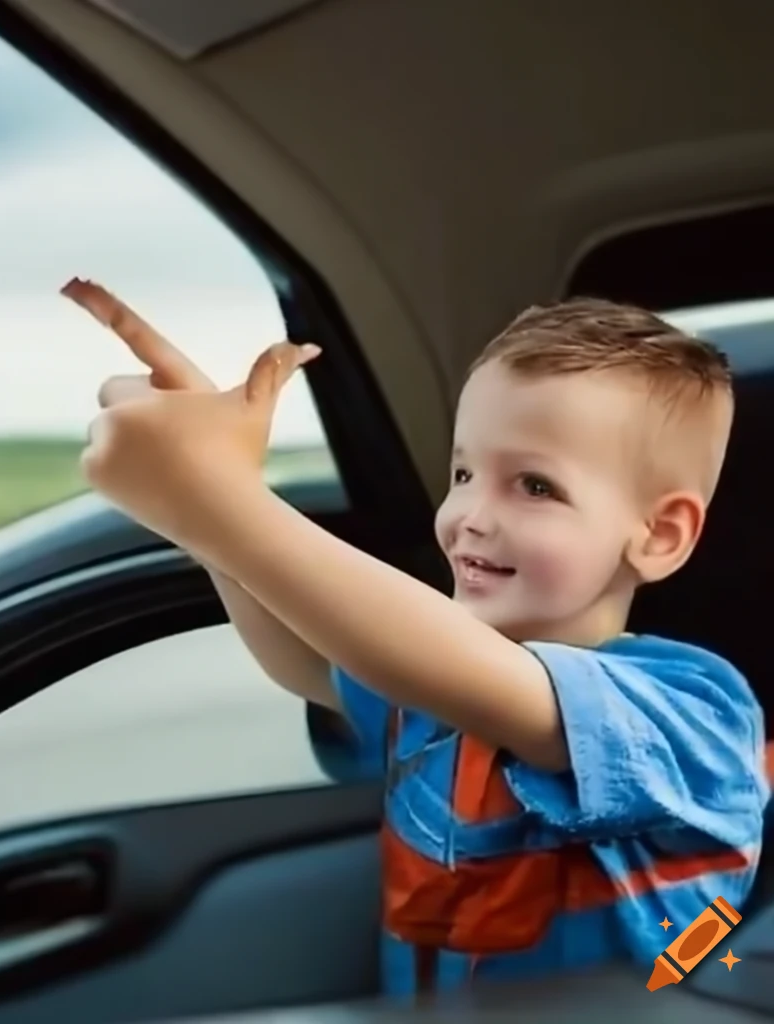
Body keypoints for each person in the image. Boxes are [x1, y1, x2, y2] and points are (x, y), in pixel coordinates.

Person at [62, 279, 769, 998]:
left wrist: (213, 497)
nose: (469, 514)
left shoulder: (690, 713)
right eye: (463, 472)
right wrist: (208, 514)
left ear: (659, 535)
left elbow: (496, 688)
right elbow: (307, 658)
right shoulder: (428, 693)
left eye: (533, 486)